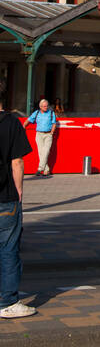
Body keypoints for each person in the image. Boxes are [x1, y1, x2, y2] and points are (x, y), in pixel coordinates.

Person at [0, 109, 36, 318]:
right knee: (7, 249)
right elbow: (17, 161)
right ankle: (8, 301)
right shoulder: (11, 123)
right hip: (5, 196)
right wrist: (19, 188)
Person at [25, 98, 58, 177]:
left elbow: (54, 123)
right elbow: (28, 120)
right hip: (39, 134)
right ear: (40, 107)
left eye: (47, 106)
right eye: (44, 106)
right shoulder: (36, 113)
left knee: (46, 151)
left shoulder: (51, 113)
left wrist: (52, 133)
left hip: (48, 134)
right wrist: (23, 126)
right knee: (41, 152)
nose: (46, 107)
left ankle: (40, 169)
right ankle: (46, 170)